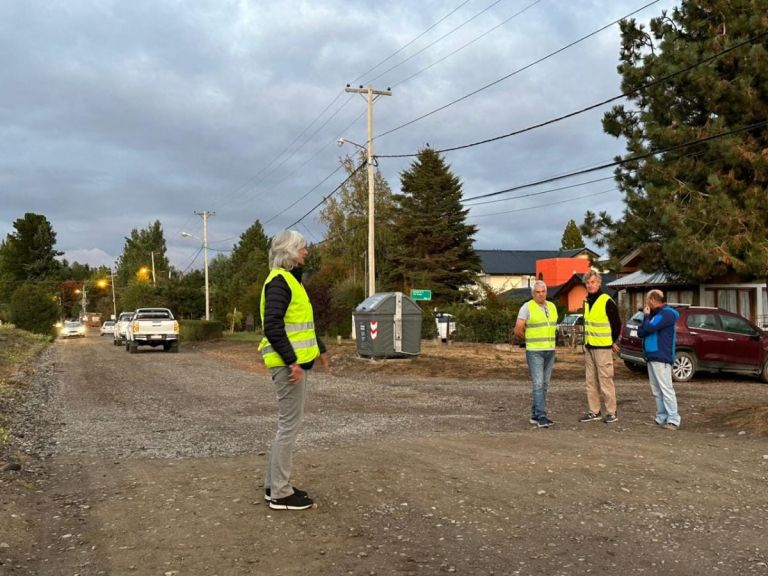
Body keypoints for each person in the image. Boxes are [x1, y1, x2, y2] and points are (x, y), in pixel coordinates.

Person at [259, 230, 328, 511]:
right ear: (289, 251)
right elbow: (273, 326)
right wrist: (292, 362)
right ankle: (280, 493)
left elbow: (302, 323)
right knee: (288, 427)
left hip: (291, 364)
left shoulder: (290, 280)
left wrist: (320, 348)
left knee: (286, 426)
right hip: (287, 366)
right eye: (302, 248)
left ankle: (273, 485)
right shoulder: (280, 282)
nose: (306, 252)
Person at [579, 271, 622, 424]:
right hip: (589, 347)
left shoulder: (606, 301)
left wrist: (612, 341)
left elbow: (617, 324)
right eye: (587, 283)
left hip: (603, 347)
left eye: (593, 282)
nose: (590, 285)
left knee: (605, 380)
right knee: (590, 381)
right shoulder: (587, 301)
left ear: (599, 283)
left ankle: (611, 412)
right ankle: (594, 411)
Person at [515, 280, 558, 428]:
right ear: (533, 293)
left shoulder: (552, 306)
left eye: (543, 291)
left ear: (546, 292)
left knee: (544, 384)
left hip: (550, 350)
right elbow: (518, 328)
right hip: (535, 351)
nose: (540, 294)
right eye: (537, 292)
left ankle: (535, 414)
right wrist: (527, 340)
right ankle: (541, 415)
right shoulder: (527, 307)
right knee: (538, 383)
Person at [637, 289, 681, 430]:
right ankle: (661, 417)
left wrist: (646, 316)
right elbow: (641, 332)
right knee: (657, 390)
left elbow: (649, 328)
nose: (646, 303)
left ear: (652, 300)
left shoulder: (666, 314)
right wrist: (647, 318)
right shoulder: (655, 314)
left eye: (647, 299)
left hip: (661, 356)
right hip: (652, 355)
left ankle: (673, 419)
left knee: (666, 388)